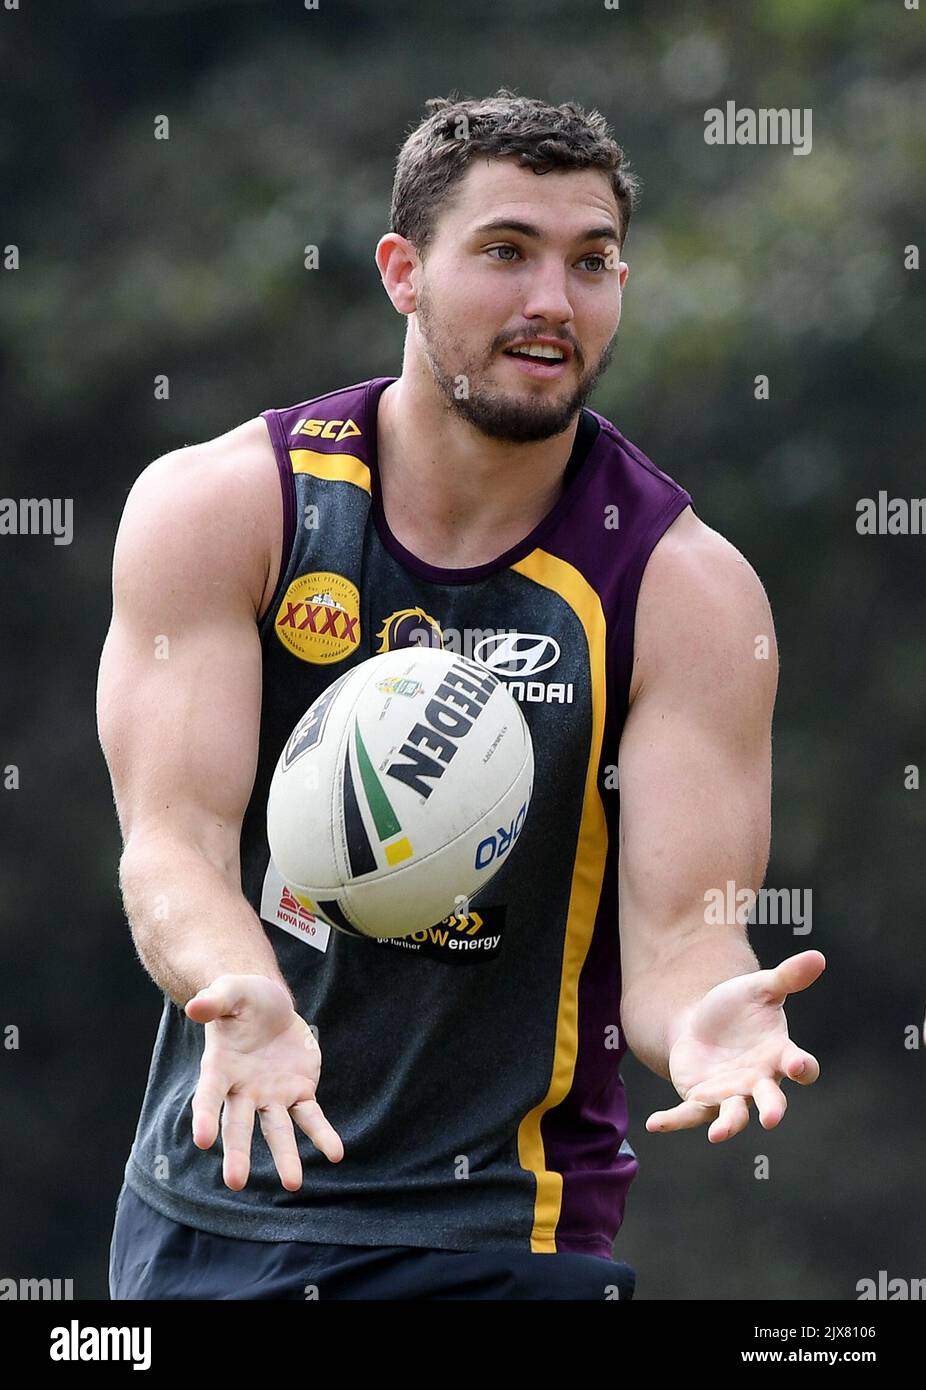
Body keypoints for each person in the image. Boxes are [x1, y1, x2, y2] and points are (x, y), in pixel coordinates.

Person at [97, 89, 824, 1301]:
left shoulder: (683, 591)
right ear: (402, 272)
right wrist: (252, 1000)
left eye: (590, 262)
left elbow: (682, 934)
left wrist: (703, 1017)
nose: (552, 301)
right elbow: (170, 844)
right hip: (219, 1201)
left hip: (504, 1233)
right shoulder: (228, 509)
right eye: (505, 252)